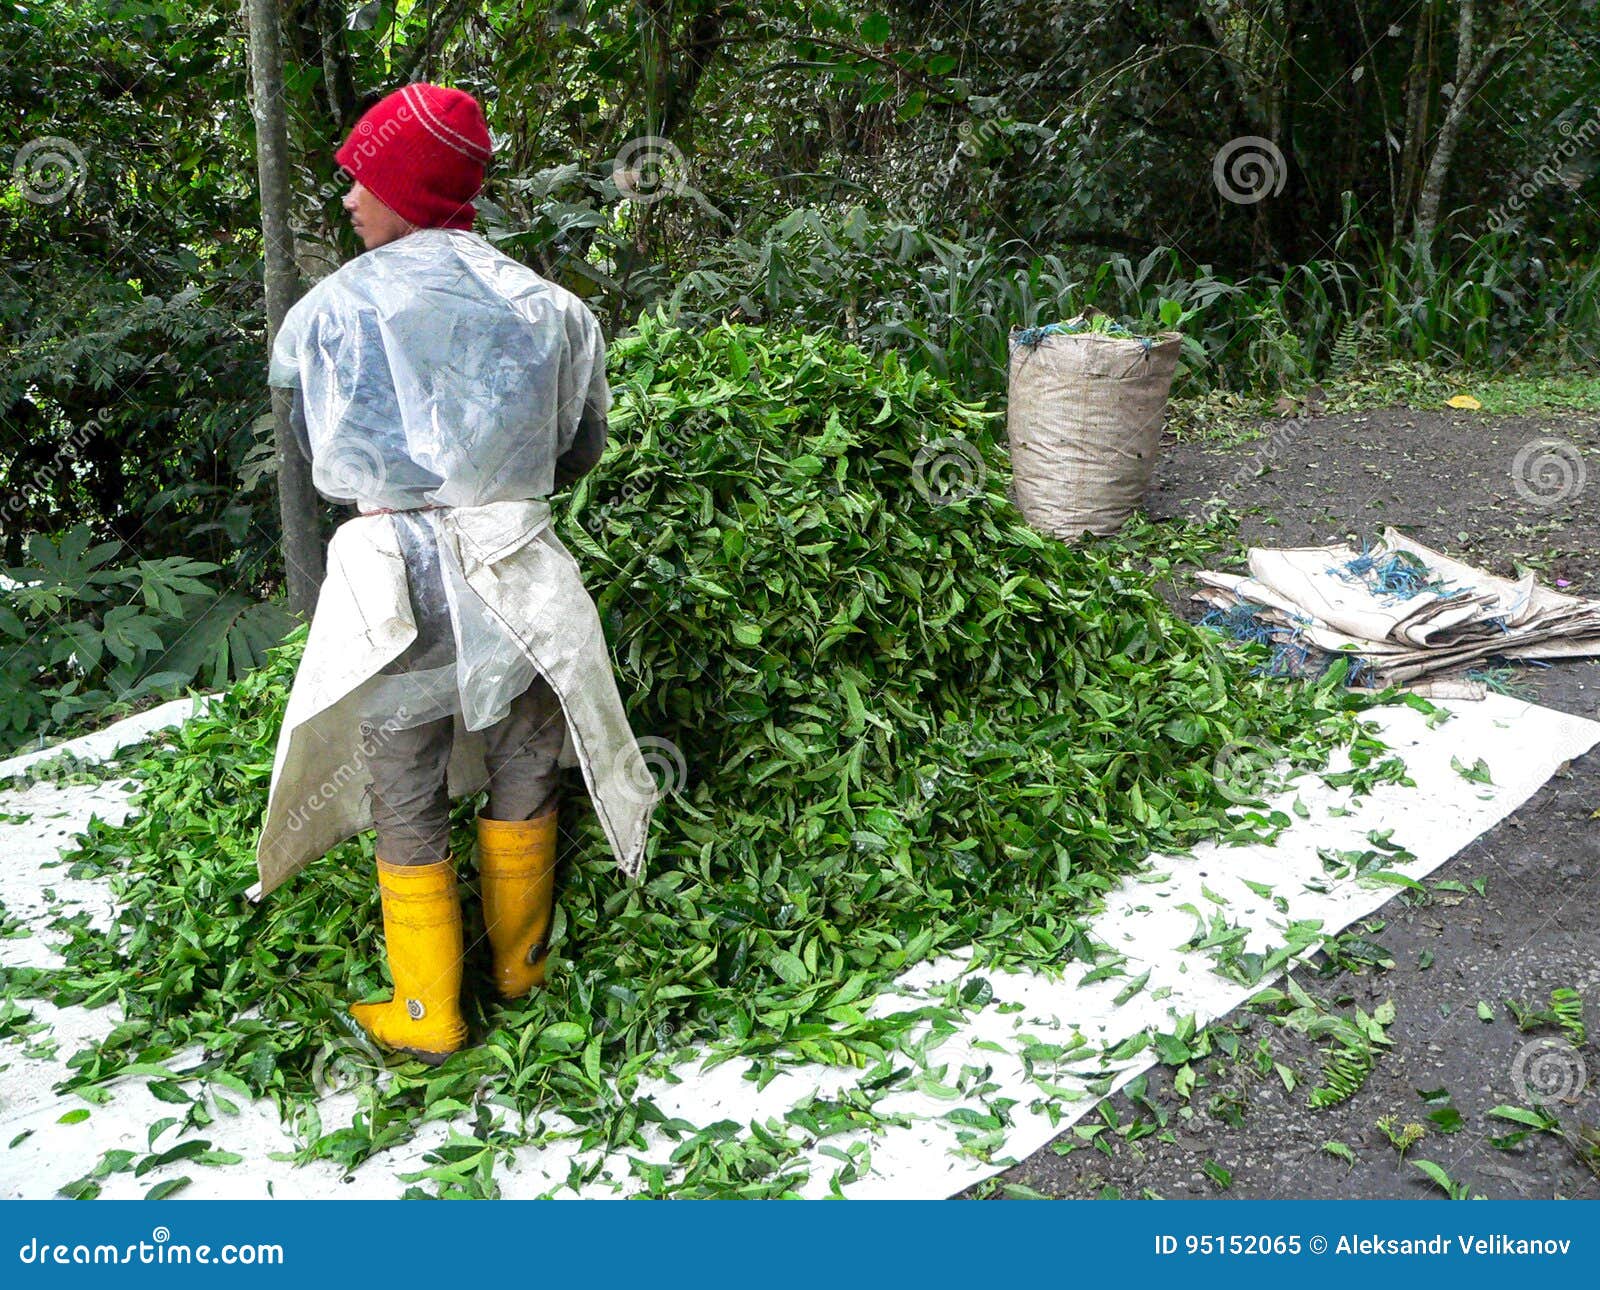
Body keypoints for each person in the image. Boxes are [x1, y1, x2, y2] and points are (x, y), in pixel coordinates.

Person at [253, 83, 657, 1066]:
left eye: (365, 179)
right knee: (527, 753)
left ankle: (431, 1010)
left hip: (392, 581)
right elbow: (580, 447)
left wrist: (410, 487)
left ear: (411, 188)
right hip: (516, 573)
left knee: (405, 777)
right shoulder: (553, 310)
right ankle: (520, 967)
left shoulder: (327, 315)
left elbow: (313, 454)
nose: (350, 199)